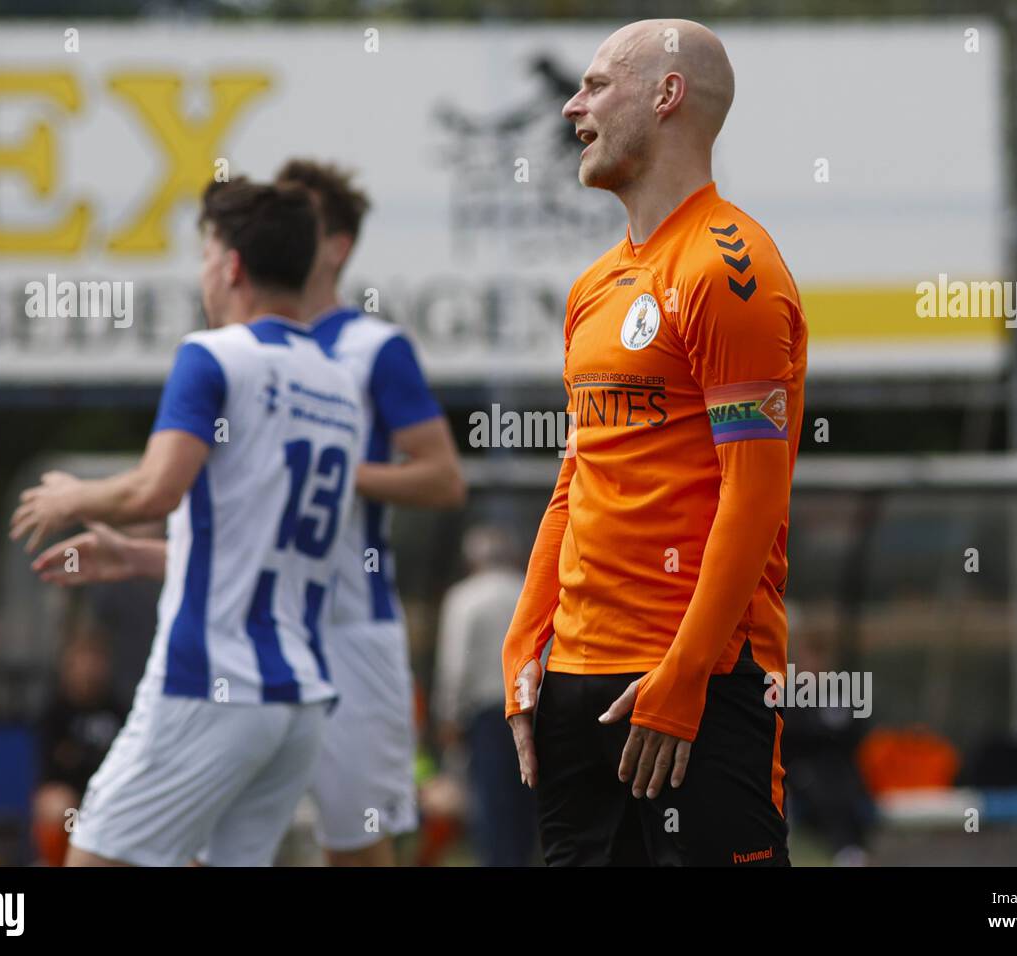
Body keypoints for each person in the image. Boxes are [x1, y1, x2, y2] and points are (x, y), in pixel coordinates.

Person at [500, 19, 808, 866]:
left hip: (697, 685)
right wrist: (526, 643)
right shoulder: (594, 286)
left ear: (667, 96)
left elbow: (755, 492)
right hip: (575, 686)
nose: (572, 106)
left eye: (597, 85)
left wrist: (685, 680)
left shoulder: (729, 268)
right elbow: (576, 480)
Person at [12, 177, 363, 866]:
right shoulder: (338, 383)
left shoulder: (212, 354)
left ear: (230, 264)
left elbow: (155, 490)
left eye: (205, 252)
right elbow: (262, 549)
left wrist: (70, 497)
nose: (202, 269)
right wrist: (138, 557)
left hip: (210, 683)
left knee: (91, 858)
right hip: (296, 698)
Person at [274, 159, 466, 866]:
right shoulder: (246, 345)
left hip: (351, 628)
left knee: (355, 845)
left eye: (303, 220)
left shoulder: (372, 348)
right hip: (256, 622)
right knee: (213, 838)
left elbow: (443, 478)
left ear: (338, 245)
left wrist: (330, 473)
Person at [434, 525, 535, 866]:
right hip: (531, 706)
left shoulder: (464, 597)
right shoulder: (529, 589)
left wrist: (448, 714)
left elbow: (455, 663)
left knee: (492, 800)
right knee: (526, 795)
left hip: (487, 713)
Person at [31, 630, 127, 866]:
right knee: (58, 806)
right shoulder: (56, 712)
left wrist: (80, 756)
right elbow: (55, 766)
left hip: (110, 799)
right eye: (84, 661)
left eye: (96, 661)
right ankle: (58, 861)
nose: (90, 669)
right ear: (70, 666)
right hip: (74, 803)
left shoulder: (118, 709)